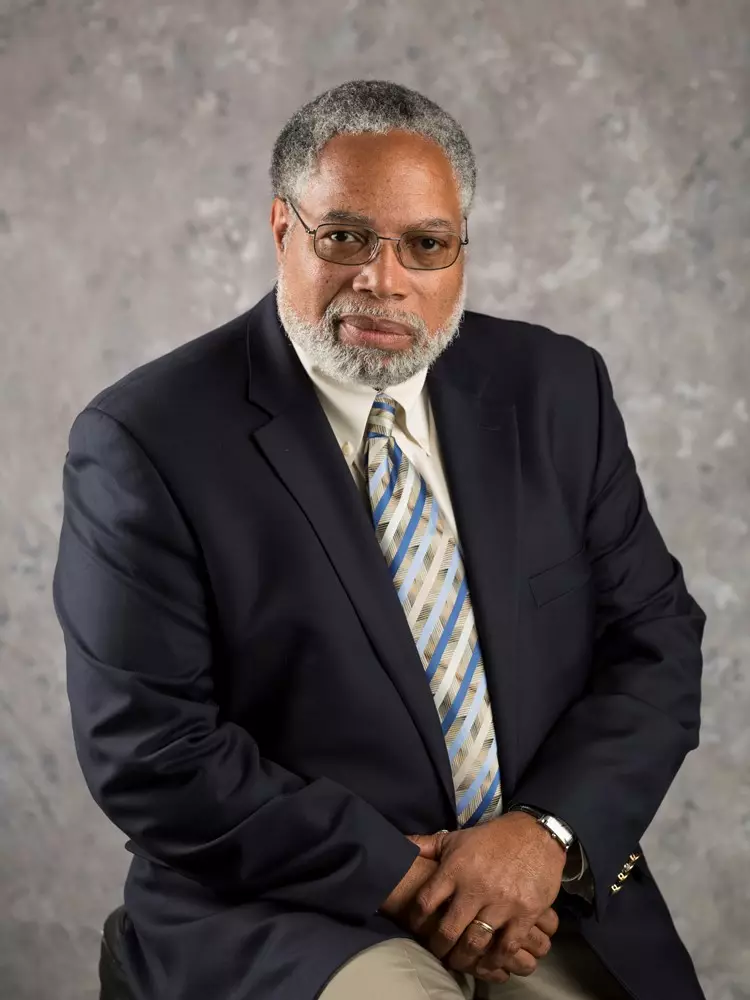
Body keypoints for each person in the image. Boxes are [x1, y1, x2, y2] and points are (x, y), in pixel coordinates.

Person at [53, 80, 707, 1000]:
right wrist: (415, 883)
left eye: (426, 245)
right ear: (283, 226)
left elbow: (657, 645)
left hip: (534, 881)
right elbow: (150, 748)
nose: (383, 279)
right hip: (281, 902)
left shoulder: (556, 389)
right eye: (346, 236)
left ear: (460, 251)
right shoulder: (146, 440)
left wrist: (542, 836)